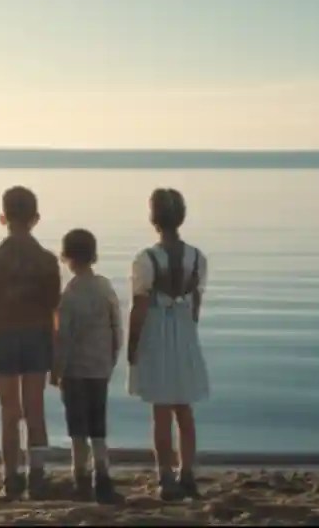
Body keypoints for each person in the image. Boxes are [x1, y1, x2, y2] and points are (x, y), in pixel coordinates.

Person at [0, 186, 62, 501]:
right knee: (35, 410)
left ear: (3, 218)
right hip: (37, 335)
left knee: (9, 412)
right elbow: (55, 308)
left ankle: (11, 480)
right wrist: (57, 351)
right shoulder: (48, 261)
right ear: (36, 218)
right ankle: (37, 478)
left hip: (4, 336)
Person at [127, 188, 210, 501]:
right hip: (185, 331)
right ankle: (187, 472)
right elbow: (197, 301)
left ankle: (165, 477)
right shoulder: (197, 258)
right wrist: (188, 329)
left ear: (153, 218)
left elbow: (140, 305)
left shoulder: (146, 259)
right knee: (184, 409)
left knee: (161, 410)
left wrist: (133, 346)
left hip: (157, 332)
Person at [52, 228, 123, 504]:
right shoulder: (105, 287)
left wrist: (56, 369)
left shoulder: (68, 295)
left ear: (65, 257)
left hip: (75, 371)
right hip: (99, 367)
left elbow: (63, 339)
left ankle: (80, 477)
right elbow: (116, 325)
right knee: (98, 426)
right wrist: (113, 357)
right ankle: (102, 476)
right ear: (94, 255)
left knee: (77, 428)